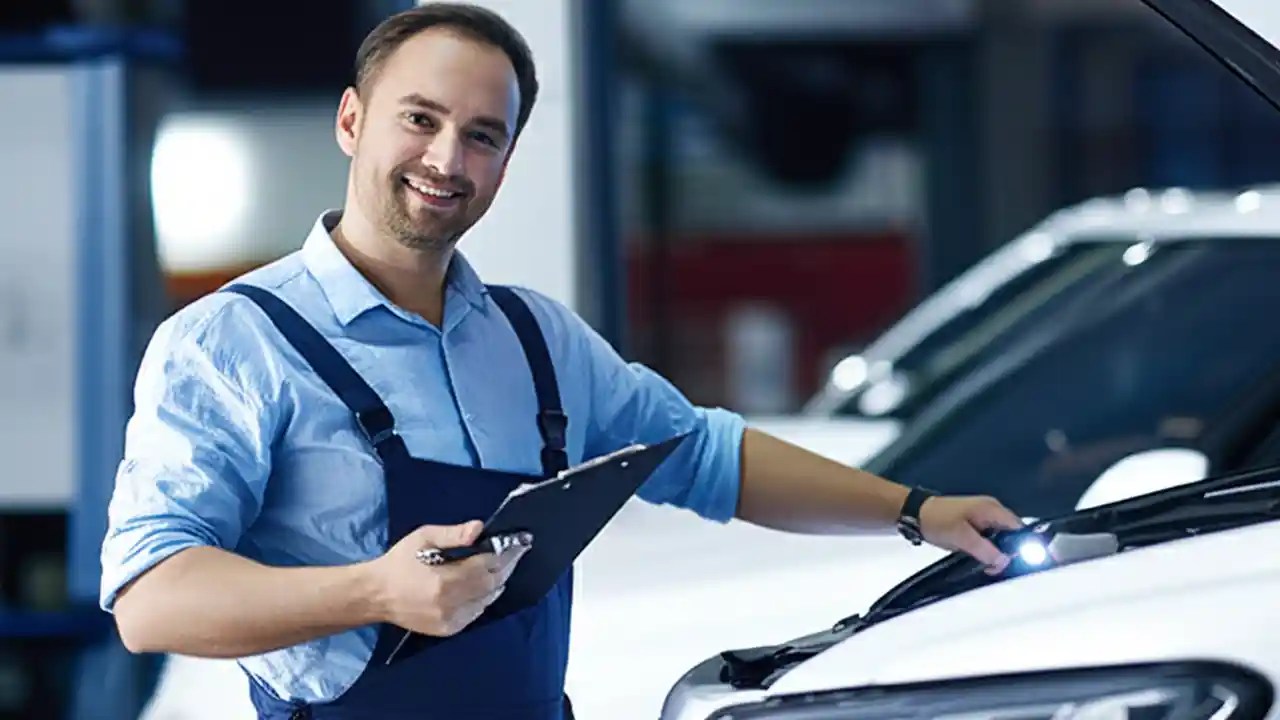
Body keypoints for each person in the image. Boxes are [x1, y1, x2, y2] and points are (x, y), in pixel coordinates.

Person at [99, 3, 1024, 719]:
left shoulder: (536, 341)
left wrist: (916, 511)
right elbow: (151, 600)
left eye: (481, 135)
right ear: (352, 121)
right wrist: (378, 588)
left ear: (506, 159)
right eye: (418, 119)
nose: (444, 158)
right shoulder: (232, 343)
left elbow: (706, 455)